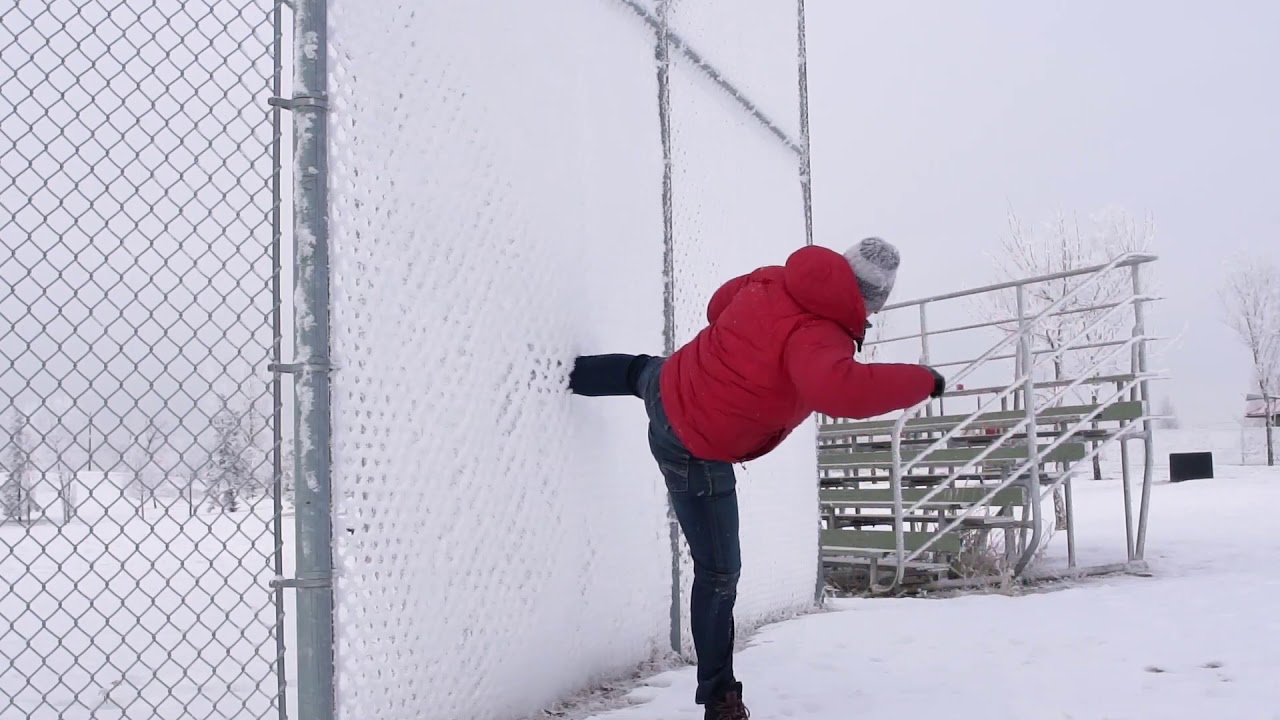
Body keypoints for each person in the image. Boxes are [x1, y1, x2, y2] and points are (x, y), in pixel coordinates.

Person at [568, 238, 945, 720]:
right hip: (694, 446)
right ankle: (720, 698)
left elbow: (716, 306)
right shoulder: (822, 337)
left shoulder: (773, 277)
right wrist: (921, 380)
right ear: (872, 300)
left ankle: (560, 373)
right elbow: (841, 390)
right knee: (719, 573)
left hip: (672, 381)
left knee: (639, 372)